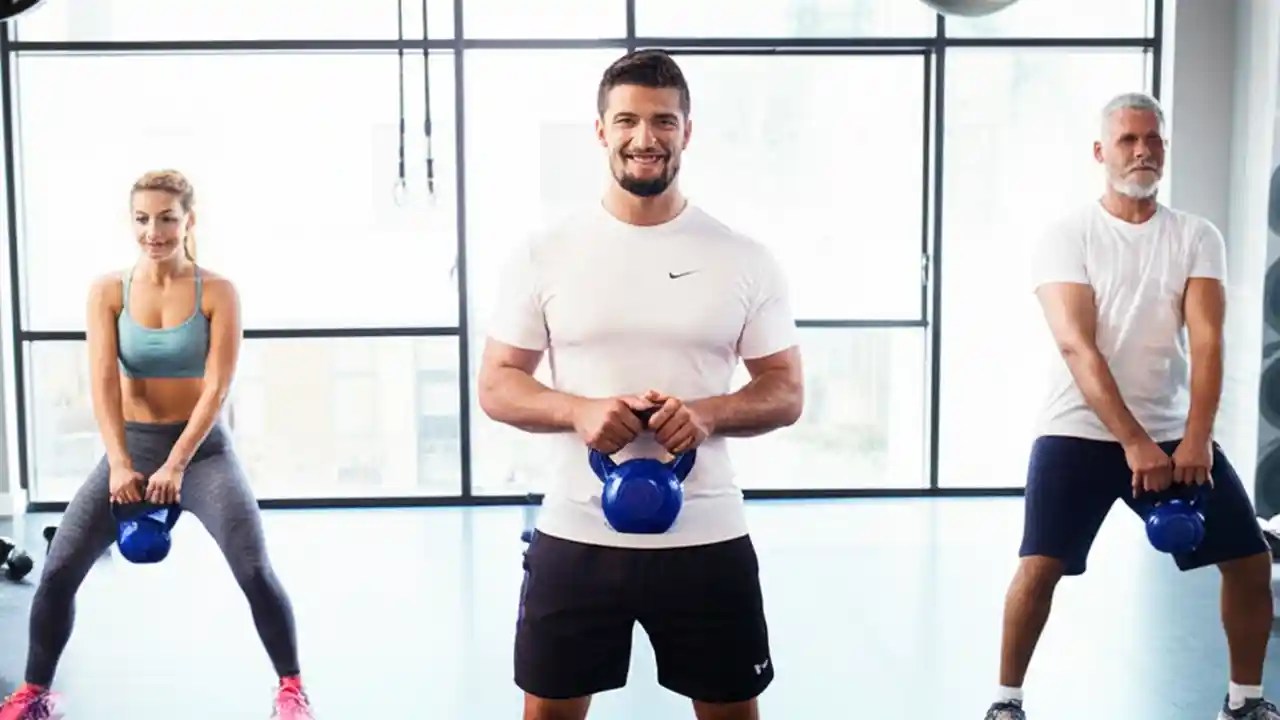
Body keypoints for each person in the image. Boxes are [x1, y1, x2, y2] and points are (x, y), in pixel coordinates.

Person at [477, 49, 804, 720]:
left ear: (688, 131)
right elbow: (497, 384)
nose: (644, 138)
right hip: (576, 532)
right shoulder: (545, 253)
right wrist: (578, 411)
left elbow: (785, 390)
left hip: (707, 534)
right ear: (601, 130)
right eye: (627, 120)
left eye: (663, 121)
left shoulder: (743, 258)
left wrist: (708, 414)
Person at [984, 92, 1278, 720]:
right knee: (1039, 567)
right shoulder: (1068, 236)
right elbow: (1076, 346)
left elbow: (1208, 342)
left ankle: (1244, 703)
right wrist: (1134, 442)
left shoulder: (1196, 235)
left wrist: (1195, 438)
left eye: (1153, 140)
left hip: (1173, 432)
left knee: (1250, 561)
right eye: (1127, 140)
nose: (1142, 151)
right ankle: (1006, 702)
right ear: (1101, 152)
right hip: (1078, 429)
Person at [0, 170, 315, 720]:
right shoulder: (107, 291)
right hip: (132, 448)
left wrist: (177, 464)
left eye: (167, 218)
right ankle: (35, 693)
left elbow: (217, 388)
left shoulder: (217, 291)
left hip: (203, 452)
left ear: (189, 220)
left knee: (253, 569)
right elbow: (103, 382)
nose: (154, 231)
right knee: (59, 571)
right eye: (142, 219)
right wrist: (120, 463)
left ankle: (291, 689)